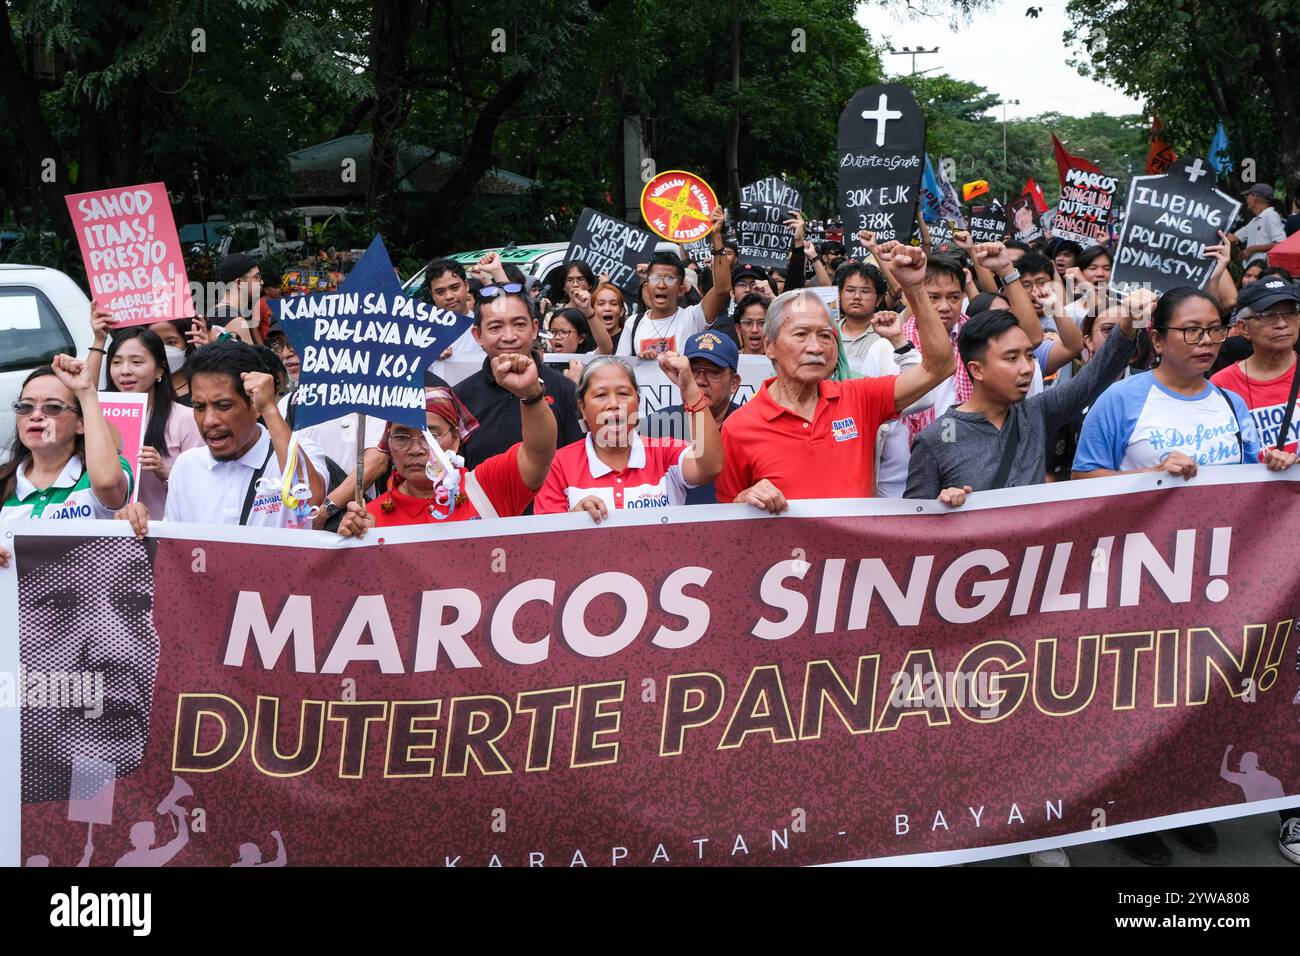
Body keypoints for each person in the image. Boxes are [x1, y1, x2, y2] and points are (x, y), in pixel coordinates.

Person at [715, 242, 955, 513]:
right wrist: (744, 499)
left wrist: (914, 288)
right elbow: (725, 521)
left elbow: (940, 367)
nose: (816, 347)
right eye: (801, 334)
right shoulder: (739, 427)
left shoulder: (859, 398)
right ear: (769, 346)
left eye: (826, 336)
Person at [906, 292, 1144, 501]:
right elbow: (910, 526)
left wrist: (1129, 324)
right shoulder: (936, 439)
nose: (1027, 368)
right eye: (1011, 358)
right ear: (977, 369)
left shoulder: (1036, 413)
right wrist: (939, 508)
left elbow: (1094, 377)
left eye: (1029, 356)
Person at [1072, 287, 1295, 482]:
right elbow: (1082, 477)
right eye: (1192, 331)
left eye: (1215, 329)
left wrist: (1274, 466)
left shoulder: (1232, 403)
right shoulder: (1119, 398)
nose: (1206, 340)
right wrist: (1152, 475)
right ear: (1158, 340)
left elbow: (1249, 477)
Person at [114, 339, 327, 533]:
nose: (209, 421)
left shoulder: (299, 452)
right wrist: (140, 523)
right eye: (199, 407)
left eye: (223, 406)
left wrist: (270, 409)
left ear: (254, 404)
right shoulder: (186, 466)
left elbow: (310, 502)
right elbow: (176, 550)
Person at [336, 354, 556, 533]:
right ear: (388, 444)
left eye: (430, 436)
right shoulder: (369, 519)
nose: (415, 449)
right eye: (402, 437)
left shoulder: (487, 487)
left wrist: (531, 394)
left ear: (456, 439)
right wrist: (359, 546)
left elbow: (538, 454)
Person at [535, 354, 722, 519]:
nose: (614, 404)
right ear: (582, 407)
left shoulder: (665, 452)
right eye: (601, 395)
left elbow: (710, 467)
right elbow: (549, 545)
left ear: (638, 402)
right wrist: (573, 521)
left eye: (624, 394)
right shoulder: (558, 465)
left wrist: (690, 390)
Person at [0, 355, 132, 540]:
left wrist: (86, 392)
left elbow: (107, 483)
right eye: (26, 406)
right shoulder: (4, 482)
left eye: (53, 407)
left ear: (81, 424)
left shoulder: (104, 470)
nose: (36, 415)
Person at [454, 282, 583, 470]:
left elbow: (577, 463)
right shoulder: (460, 397)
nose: (509, 336)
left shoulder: (566, 390)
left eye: (519, 324)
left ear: (534, 329)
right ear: (478, 335)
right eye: (495, 327)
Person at [89, 317, 203, 519]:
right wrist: (99, 340)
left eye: (136, 362)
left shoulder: (185, 419)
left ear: (159, 369)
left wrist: (166, 473)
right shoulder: (97, 418)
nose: (125, 371)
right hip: (109, 533)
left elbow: (203, 488)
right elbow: (83, 392)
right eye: (116, 362)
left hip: (161, 533)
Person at [643, 331, 743, 503]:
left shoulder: (750, 427)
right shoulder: (655, 426)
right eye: (692, 371)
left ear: (734, 383)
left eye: (713, 373)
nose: (700, 381)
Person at [617, 211, 732, 357]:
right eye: (655, 278)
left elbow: (722, 289)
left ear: (681, 289)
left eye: (670, 279)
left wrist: (716, 236)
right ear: (646, 287)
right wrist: (639, 360)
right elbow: (621, 368)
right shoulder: (633, 324)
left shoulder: (692, 318)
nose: (661, 285)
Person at [1211, 277, 1300, 455]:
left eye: (1291, 313)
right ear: (1243, 328)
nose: (1282, 324)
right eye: (1268, 316)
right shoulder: (1222, 385)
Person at [207, 253, 264, 344]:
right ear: (238, 282)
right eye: (256, 277)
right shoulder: (235, 321)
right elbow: (250, 358)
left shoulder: (216, 312)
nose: (262, 282)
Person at [836, 263, 887, 359]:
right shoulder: (829, 334)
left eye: (865, 291)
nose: (857, 297)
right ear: (839, 295)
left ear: (879, 299)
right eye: (850, 290)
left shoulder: (888, 332)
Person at [1232, 184, 1286, 267]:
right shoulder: (1255, 221)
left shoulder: (1271, 215)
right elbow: (1232, 238)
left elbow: (1281, 243)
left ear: (1255, 197)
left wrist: (1252, 249)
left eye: (1247, 196)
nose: (1246, 200)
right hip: (1252, 269)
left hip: (1264, 268)